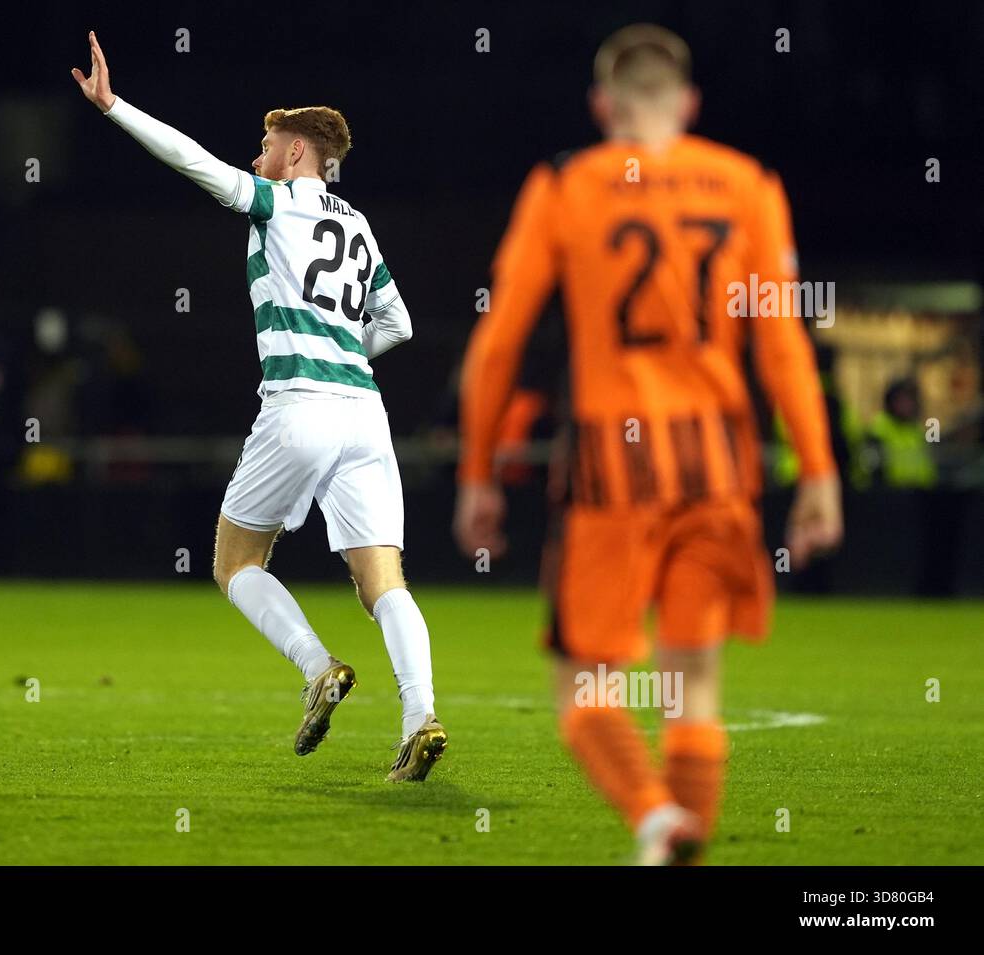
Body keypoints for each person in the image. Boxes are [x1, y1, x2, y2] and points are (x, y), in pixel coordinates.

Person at [454, 24, 843, 861]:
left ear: (603, 106)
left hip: (610, 471)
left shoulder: (566, 184)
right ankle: (677, 831)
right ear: (689, 104)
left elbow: (499, 342)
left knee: (584, 689)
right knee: (694, 685)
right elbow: (783, 344)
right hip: (719, 469)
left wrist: (479, 470)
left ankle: (657, 821)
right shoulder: (748, 184)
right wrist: (818, 469)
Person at [72, 31, 445, 781]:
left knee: (234, 560)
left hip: (299, 406)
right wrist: (343, 351)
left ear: (297, 154)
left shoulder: (277, 204)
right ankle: (420, 718)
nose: (254, 157)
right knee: (385, 581)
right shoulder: (360, 226)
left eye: (265, 145)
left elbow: (193, 161)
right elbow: (398, 324)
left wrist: (114, 108)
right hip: (365, 415)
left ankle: (317, 667)